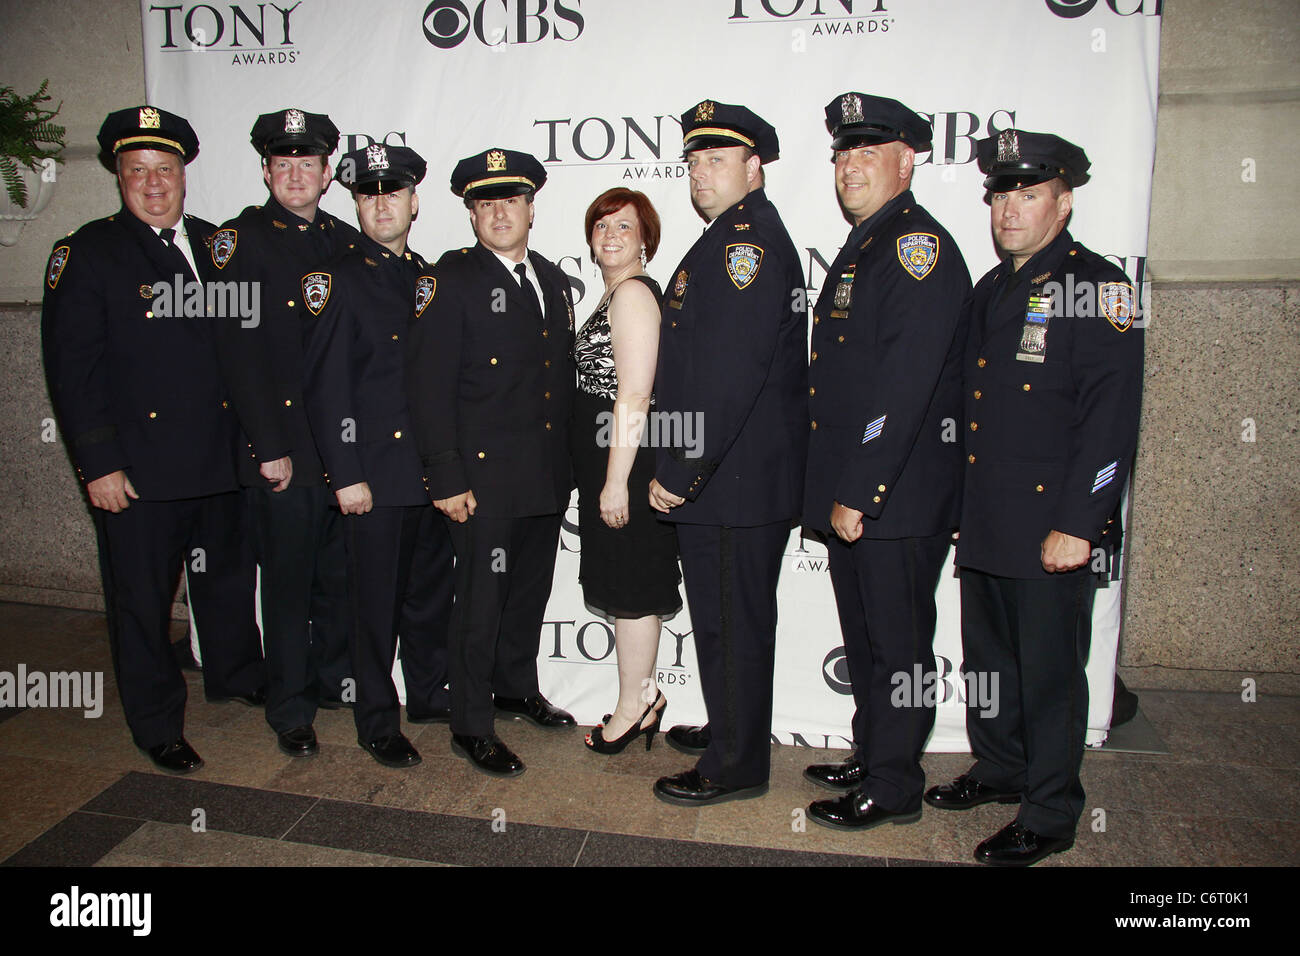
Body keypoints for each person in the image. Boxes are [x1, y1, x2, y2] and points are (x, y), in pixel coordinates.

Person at [924, 130, 1144, 865]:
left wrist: (1082, 524)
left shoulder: (1100, 287)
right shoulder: (993, 288)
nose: (1010, 209)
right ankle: (999, 767)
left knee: (1049, 673)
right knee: (989, 663)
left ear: (1064, 202)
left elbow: (1110, 424)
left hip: (1052, 525)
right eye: (1000, 195)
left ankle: (1050, 811)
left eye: (1028, 194)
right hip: (987, 519)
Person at [40, 106, 264, 773]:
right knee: (141, 600)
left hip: (220, 458)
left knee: (225, 581)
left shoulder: (215, 244)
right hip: (140, 469)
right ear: (119, 177)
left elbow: (239, 354)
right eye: (137, 171)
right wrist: (99, 464)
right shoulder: (88, 252)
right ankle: (156, 721)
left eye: (164, 170)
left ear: (183, 175)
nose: (153, 183)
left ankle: (237, 673)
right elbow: (72, 372)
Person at [801, 94, 972, 830]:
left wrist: (862, 491)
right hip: (859, 487)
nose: (850, 165)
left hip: (893, 494)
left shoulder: (914, 247)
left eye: (868, 151)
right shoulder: (869, 241)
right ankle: (875, 751)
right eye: (843, 152)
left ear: (908, 160)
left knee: (899, 646)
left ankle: (896, 784)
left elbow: (905, 384)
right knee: (868, 636)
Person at [650, 101, 807, 806]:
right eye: (692, 161)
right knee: (722, 622)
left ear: (754, 167)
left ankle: (735, 765)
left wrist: (682, 468)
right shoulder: (726, 238)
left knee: (732, 625)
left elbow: (730, 375)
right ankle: (730, 730)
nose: (700, 173)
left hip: (729, 481)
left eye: (716, 160)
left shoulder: (747, 245)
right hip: (730, 476)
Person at [406, 148, 577, 778]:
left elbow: (555, 383)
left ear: (532, 208)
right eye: (485, 202)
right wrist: (444, 475)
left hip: (542, 477)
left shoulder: (553, 281)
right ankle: (471, 723)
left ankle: (515, 687)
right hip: (480, 483)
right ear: (470, 213)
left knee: (528, 595)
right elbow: (427, 388)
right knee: (479, 604)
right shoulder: (447, 281)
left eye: (511, 199)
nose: (499, 212)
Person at [209, 108, 362, 758]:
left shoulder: (346, 239)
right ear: (266, 170)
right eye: (283, 163)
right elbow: (235, 355)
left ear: (327, 173)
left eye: (308, 164)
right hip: (285, 454)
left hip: (342, 449)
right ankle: (290, 708)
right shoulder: (238, 242)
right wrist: (267, 447)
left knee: (336, 579)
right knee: (289, 585)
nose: (296, 174)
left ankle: (330, 682)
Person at [301, 143, 455, 769]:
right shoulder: (332, 280)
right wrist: (346, 475)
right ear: (357, 205)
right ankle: (374, 718)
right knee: (372, 609)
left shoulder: (429, 276)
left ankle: (425, 693)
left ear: (414, 202)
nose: (382, 204)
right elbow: (324, 385)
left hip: (430, 474)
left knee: (425, 597)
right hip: (372, 477)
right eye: (369, 194)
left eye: (394, 193)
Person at [573, 187, 681, 754]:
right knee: (624, 588)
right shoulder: (612, 296)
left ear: (646, 239)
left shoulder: (633, 296)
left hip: (628, 468)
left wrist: (616, 482)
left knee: (633, 590)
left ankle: (633, 706)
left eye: (624, 227)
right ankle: (645, 697)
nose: (611, 235)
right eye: (602, 226)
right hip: (613, 462)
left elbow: (635, 395)